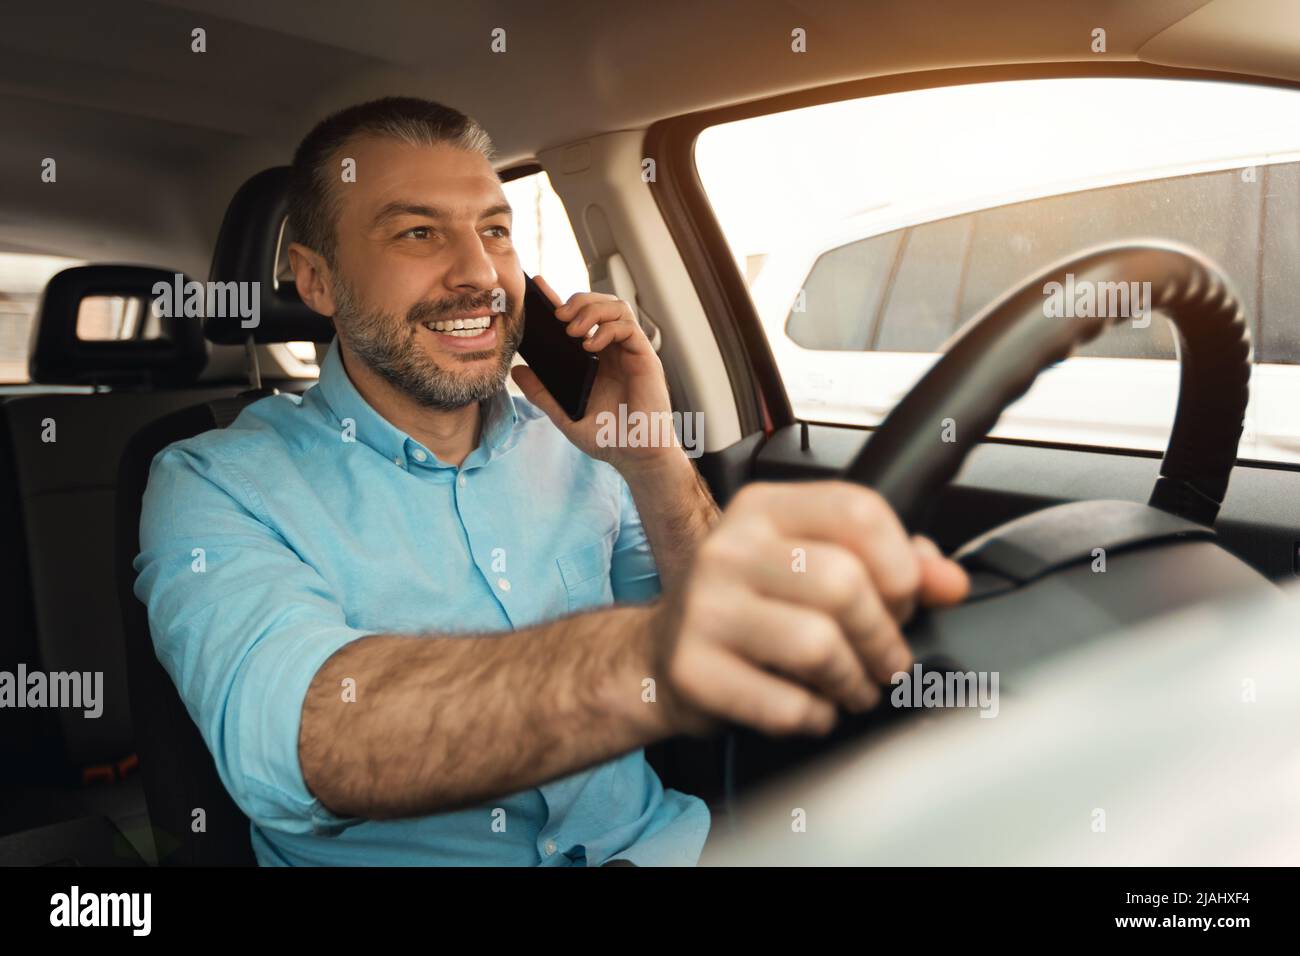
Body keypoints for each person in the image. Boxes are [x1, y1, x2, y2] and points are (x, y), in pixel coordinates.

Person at [133, 96, 969, 866]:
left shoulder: (578, 443)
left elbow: (704, 603)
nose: (479, 276)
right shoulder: (213, 481)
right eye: (418, 233)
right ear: (317, 280)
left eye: (494, 232)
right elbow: (302, 743)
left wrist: (649, 455)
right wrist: (669, 655)